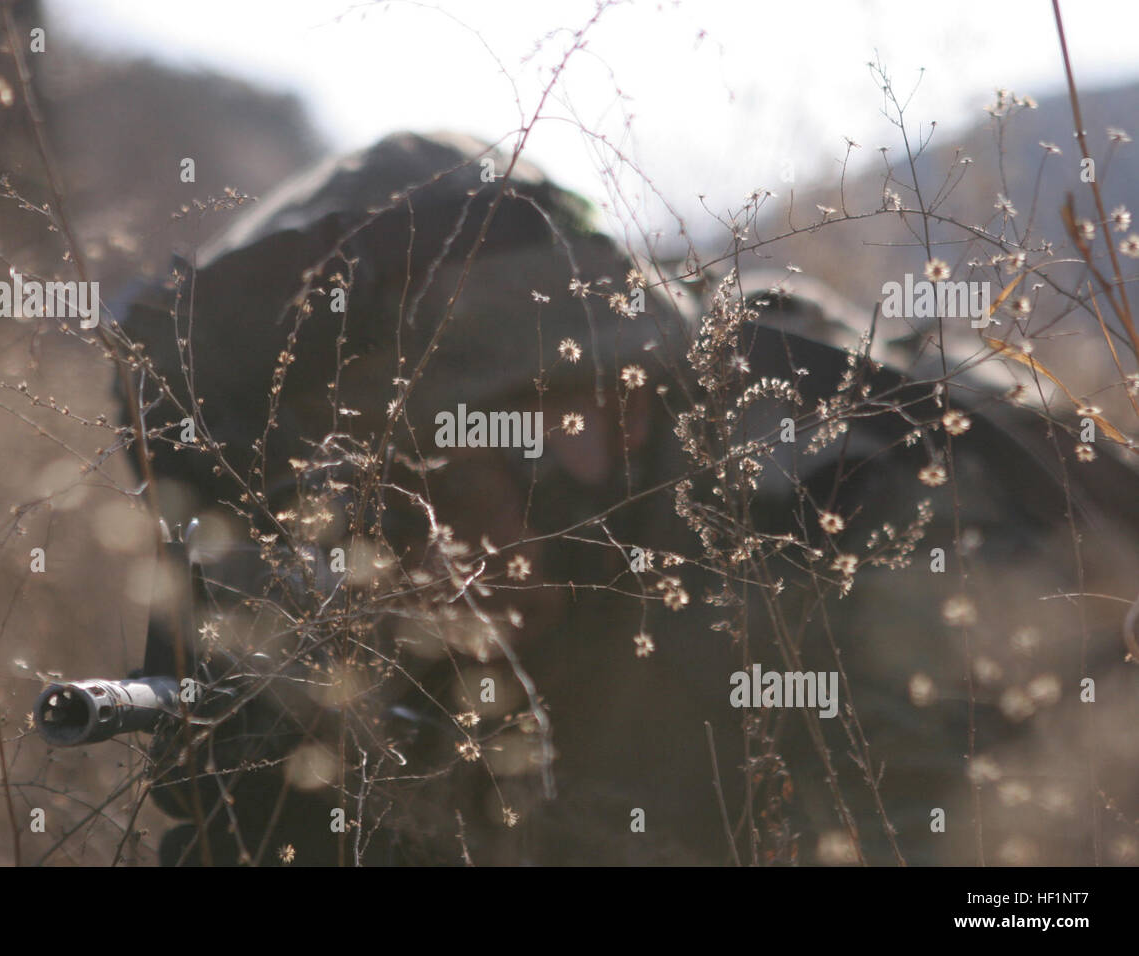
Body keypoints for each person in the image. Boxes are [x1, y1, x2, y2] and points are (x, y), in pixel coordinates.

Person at [122, 132, 1139, 866]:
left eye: (432, 482)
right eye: (353, 509)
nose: (402, 564)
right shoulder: (391, 585)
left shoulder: (869, 514)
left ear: (610, 412)